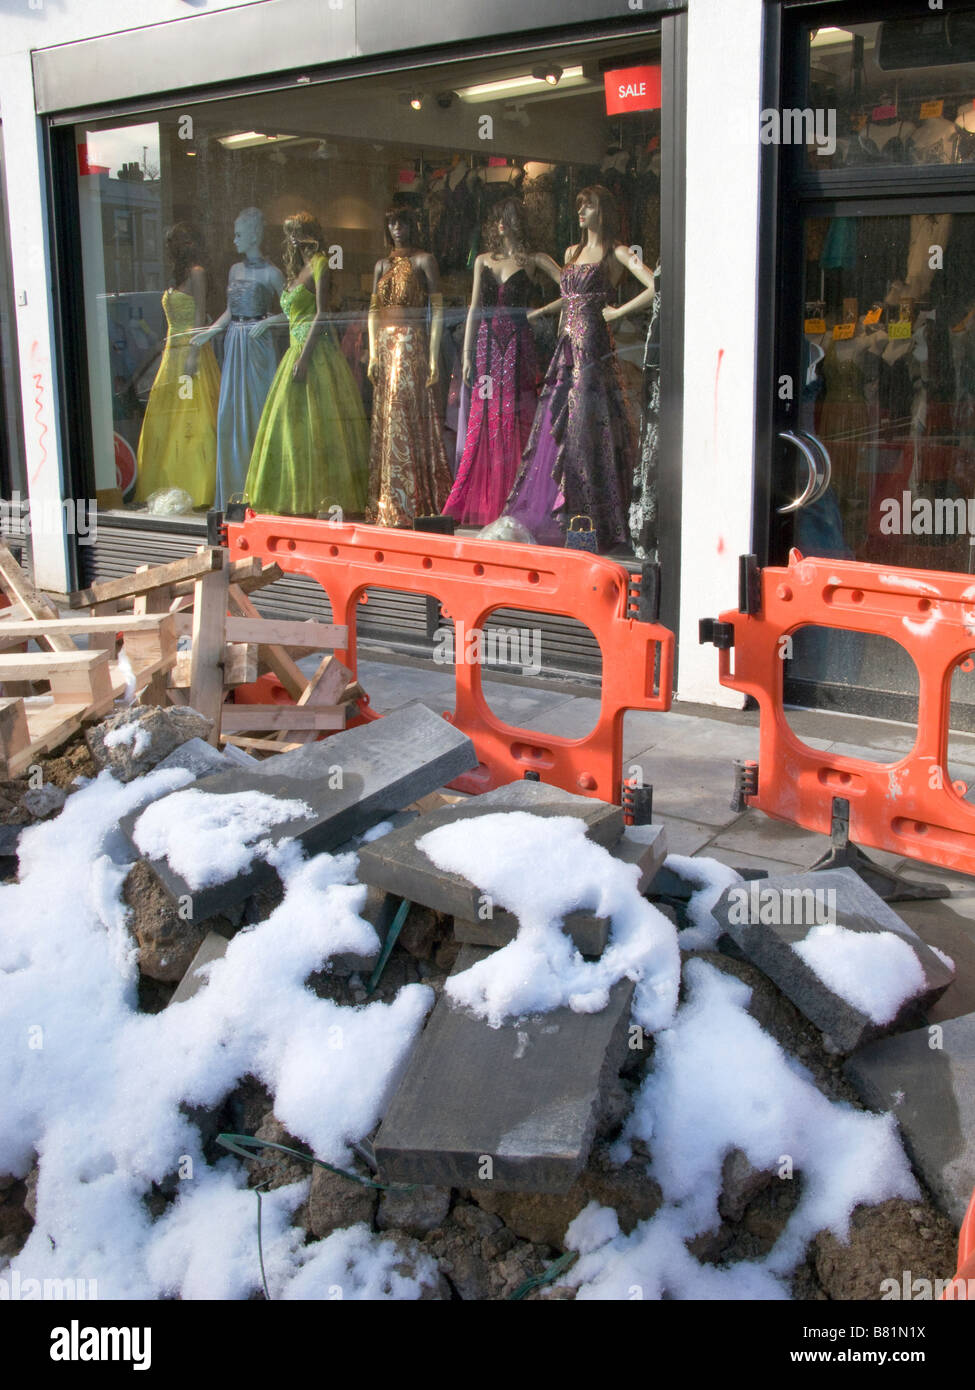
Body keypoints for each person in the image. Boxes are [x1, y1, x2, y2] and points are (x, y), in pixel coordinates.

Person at [504, 185, 656, 550]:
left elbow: (655, 284)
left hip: (593, 349)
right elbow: (568, 298)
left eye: (587, 206)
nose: (580, 212)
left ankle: (592, 518)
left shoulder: (615, 251)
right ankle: (565, 513)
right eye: (579, 206)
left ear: (601, 210)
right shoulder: (571, 252)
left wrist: (618, 312)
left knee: (589, 426)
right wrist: (541, 314)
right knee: (559, 426)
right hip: (566, 348)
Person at [442, 198, 560, 527]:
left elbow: (571, 287)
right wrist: (465, 355)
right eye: (499, 219)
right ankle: (480, 500)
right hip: (485, 345)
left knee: (514, 415)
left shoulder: (533, 260)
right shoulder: (483, 261)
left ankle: (515, 499)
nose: (501, 225)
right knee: (484, 417)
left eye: (507, 219)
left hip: (519, 346)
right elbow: (473, 309)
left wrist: (541, 313)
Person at [245, 212, 368, 516]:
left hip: (315, 353)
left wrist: (305, 356)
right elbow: (291, 316)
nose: (294, 239)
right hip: (294, 350)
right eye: (290, 233)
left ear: (311, 233)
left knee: (320, 425)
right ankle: (292, 494)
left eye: (299, 232)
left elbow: (322, 314)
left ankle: (323, 499)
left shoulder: (320, 264)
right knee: (291, 426)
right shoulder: (294, 271)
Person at [366, 205, 452, 526]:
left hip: (411, 342)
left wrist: (432, 355)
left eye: (402, 222)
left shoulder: (424, 261)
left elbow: (438, 309)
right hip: (386, 347)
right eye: (391, 223)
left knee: (405, 413)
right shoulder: (382, 265)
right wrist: (373, 353)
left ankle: (412, 500)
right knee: (387, 416)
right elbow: (373, 311)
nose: (396, 228)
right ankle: (388, 502)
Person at [134, 223, 219, 508]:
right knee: (167, 420)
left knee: (191, 417)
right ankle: (165, 482)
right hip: (171, 353)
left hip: (190, 351)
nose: (170, 249)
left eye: (175, 242)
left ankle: (196, 484)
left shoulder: (197, 274)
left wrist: (193, 354)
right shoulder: (178, 276)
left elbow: (200, 314)